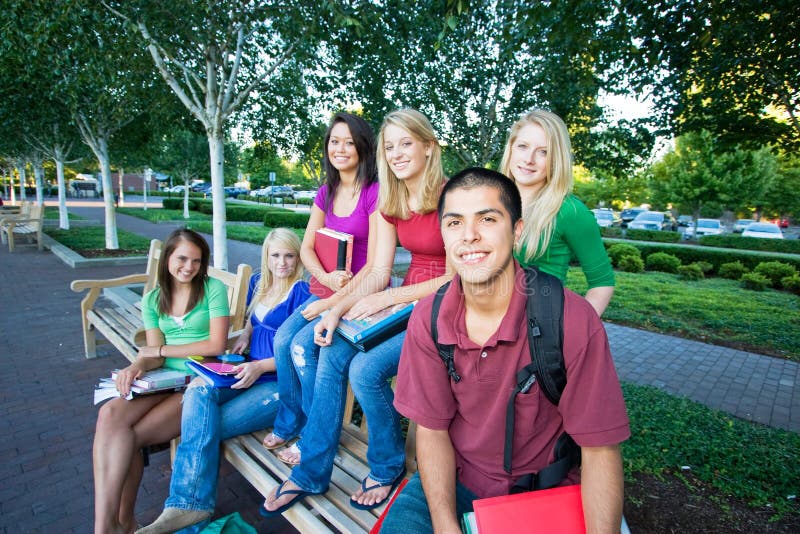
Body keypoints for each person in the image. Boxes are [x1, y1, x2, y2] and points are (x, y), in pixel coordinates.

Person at [380, 168, 630, 533]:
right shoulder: (429, 318)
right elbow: (431, 432)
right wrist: (447, 527)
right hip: (457, 481)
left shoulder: (571, 319)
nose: (469, 236)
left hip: (544, 492)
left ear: (516, 230)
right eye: (454, 223)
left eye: (487, 219)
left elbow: (600, 450)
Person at [262, 109, 451, 516]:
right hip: (402, 303)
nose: (397, 153)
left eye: (406, 143)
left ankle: (387, 465)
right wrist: (337, 309)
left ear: (428, 147)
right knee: (330, 352)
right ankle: (312, 470)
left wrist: (386, 300)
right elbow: (380, 271)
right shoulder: (392, 198)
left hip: (441, 308)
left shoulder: (452, 196)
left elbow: (457, 276)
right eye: (390, 146)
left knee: (365, 371)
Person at [136, 228, 310, 534]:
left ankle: (188, 507)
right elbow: (258, 324)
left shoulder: (302, 292)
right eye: (275, 255)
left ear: (298, 257)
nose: (282, 263)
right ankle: (188, 507)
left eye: (289, 255)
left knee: (203, 425)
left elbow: (300, 352)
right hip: (244, 371)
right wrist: (246, 333)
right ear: (266, 258)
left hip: (277, 384)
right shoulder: (259, 283)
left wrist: (260, 367)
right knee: (198, 389)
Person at [93, 228, 230, 534]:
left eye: (196, 261)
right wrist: (138, 363)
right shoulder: (155, 298)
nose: (188, 267)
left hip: (199, 381)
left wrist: (160, 350)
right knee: (110, 414)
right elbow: (153, 353)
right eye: (182, 258)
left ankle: (122, 523)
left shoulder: (213, 289)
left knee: (130, 436)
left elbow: (216, 346)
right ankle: (105, 524)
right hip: (165, 378)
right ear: (168, 257)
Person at [262, 112, 380, 463]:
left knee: (303, 346)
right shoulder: (326, 192)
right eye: (334, 141)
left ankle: (316, 434)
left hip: (359, 294)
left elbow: (376, 264)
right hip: (325, 288)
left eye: (348, 142)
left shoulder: (374, 193)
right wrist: (326, 279)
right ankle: (290, 421)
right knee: (283, 339)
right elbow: (308, 247)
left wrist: (337, 297)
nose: (340, 148)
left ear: (362, 147)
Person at [499, 109, 615, 316]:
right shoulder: (490, 198)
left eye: (543, 152)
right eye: (523, 146)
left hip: (535, 331)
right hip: (483, 327)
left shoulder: (570, 211)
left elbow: (602, 282)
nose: (529, 159)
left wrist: (574, 332)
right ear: (511, 149)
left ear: (556, 158)